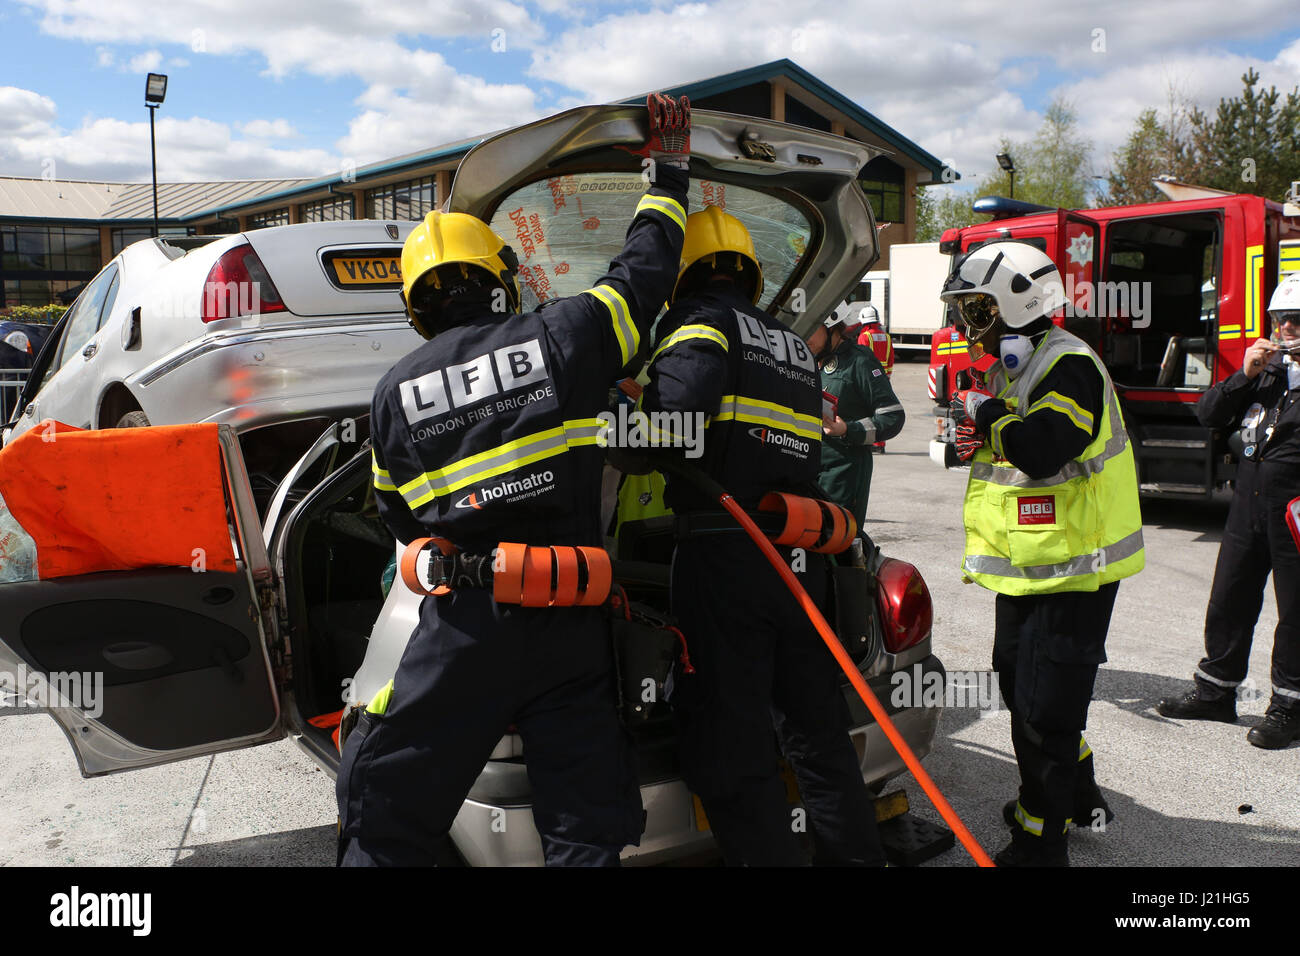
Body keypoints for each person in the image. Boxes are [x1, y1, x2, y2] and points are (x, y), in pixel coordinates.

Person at [335, 93, 692, 866]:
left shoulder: (393, 390)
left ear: (416, 309)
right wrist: (670, 174)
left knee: (386, 809)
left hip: (466, 628)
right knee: (584, 832)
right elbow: (645, 273)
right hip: (574, 627)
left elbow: (399, 519)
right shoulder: (566, 334)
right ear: (502, 280)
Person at [639, 205, 886, 866]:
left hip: (725, 556)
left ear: (683, 274)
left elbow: (666, 431)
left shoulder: (699, 327)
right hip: (797, 556)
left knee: (731, 742)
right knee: (816, 733)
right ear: (749, 274)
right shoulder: (793, 348)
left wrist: (620, 414)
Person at [939, 240, 1144, 867]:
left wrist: (992, 416)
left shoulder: (1067, 364)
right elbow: (1011, 455)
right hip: (1035, 568)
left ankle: (1039, 840)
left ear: (1016, 303)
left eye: (977, 310)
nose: (968, 325)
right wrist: (969, 437)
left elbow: (1044, 447)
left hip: (1074, 572)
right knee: (1026, 689)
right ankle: (1077, 796)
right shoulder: (1016, 368)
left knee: (1041, 712)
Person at [1157, 273, 1300, 749]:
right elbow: (1208, 413)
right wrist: (1245, 373)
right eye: (1282, 321)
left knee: (1296, 610)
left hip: (1295, 510)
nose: (1287, 331)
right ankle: (1215, 692)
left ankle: (1289, 705)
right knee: (1229, 599)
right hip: (1248, 503)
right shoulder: (1267, 374)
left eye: (1296, 322)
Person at [808, 302, 904, 527]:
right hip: (809, 471)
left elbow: (893, 417)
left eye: (812, 328)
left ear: (832, 326)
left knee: (837, 545)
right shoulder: (806, 359)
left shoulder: (859, 360)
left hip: (844, 475)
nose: (805, 337)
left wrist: (848, 430)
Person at [856, 303, 895, 377]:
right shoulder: (886, 337)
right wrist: (888, 374)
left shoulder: (864, 336)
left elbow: (861, 358)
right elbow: (891, 357)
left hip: (869, 375)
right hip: (884, 374)